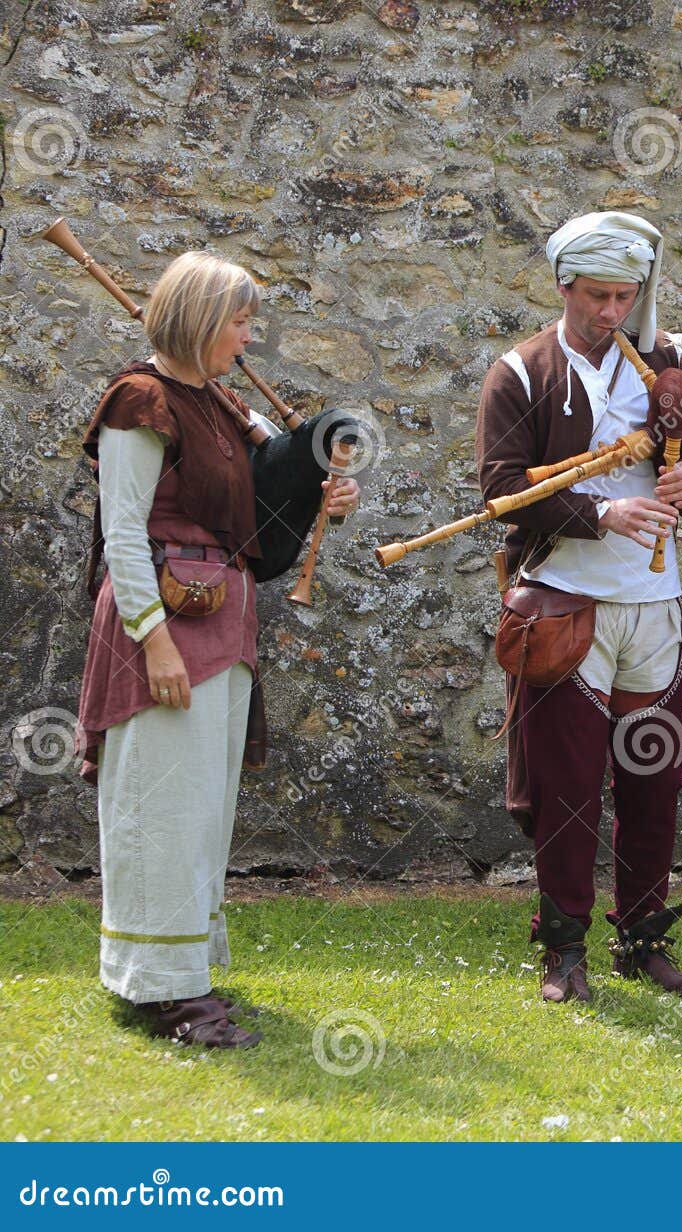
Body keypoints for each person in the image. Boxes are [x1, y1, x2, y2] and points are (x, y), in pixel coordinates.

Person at [477, 211, 682, 1004]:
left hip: (654, 609)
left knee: (653, 780)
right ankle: (563, 951)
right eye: (597, 296)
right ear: (562, 285)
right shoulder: (521, 372)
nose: (612, 312)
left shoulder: (672, 356)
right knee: (568, 787)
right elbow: (500, 487)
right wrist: (600, 513)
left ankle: (642, 941)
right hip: (565, 608)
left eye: (625, 295)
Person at [78, 250, 361, 1047]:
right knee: (160, 804)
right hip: (163, 623)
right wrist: (153, 642)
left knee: (200, 806)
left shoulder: (219, 403)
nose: (247, 336)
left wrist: (330, 494)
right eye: (238, 321)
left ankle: (180, 973)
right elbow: (122, 530)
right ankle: (167, 994)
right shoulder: (141, 401)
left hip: (224, 621)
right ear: (201, 320)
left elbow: (267, 493)